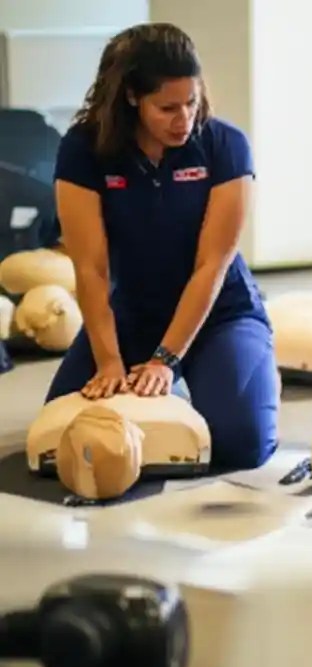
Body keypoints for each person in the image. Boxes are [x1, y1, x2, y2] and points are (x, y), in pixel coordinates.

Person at [46, 23, 278, 470]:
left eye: (192, 102)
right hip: (134, 315)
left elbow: (212, 265)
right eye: (167, 108)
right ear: (132, 97)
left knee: (242, 443)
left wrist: (165, 360)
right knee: (60, 440)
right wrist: (108, 361)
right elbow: (91, 268)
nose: (184, 119)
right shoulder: (84, 149)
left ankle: (238, 369)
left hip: (220, 314)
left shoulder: (226, 145)